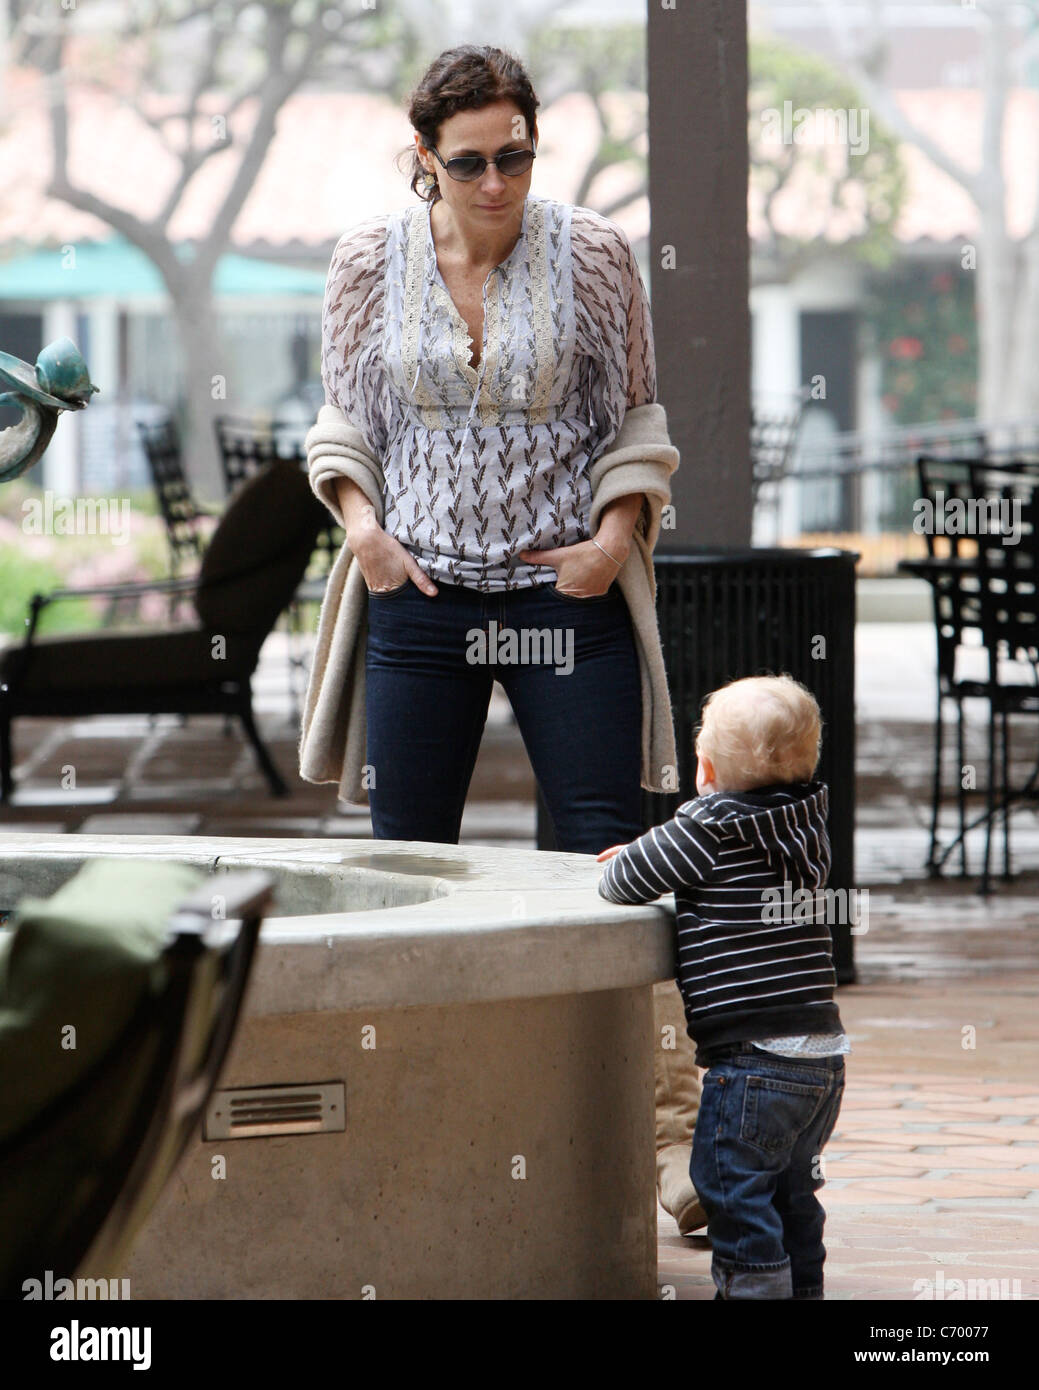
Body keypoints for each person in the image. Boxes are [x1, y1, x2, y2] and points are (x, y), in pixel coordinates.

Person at [298, 45, 707, 1232]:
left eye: (514, 155)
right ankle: (407, 1126)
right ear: (424, 157)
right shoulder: (368, 261)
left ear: (535, 142)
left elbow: (634, 413)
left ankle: (663, 1144)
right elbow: (344, 421)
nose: (495, 182)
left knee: (606, 862)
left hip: (562, 601)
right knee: (402, 868)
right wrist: (368, 536)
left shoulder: (592, 254)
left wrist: (609, 539)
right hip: (418, 599)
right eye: (467, 161)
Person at [597, 674, 849, 1300]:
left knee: (730, 1186)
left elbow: (624, 882)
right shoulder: (806, 820)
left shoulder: (709, 824)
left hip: (752, 1061)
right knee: (791, 1190)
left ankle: (754, 1292)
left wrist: (632, 853)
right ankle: (805, 1288)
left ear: (703, 766)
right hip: (821, 1056)